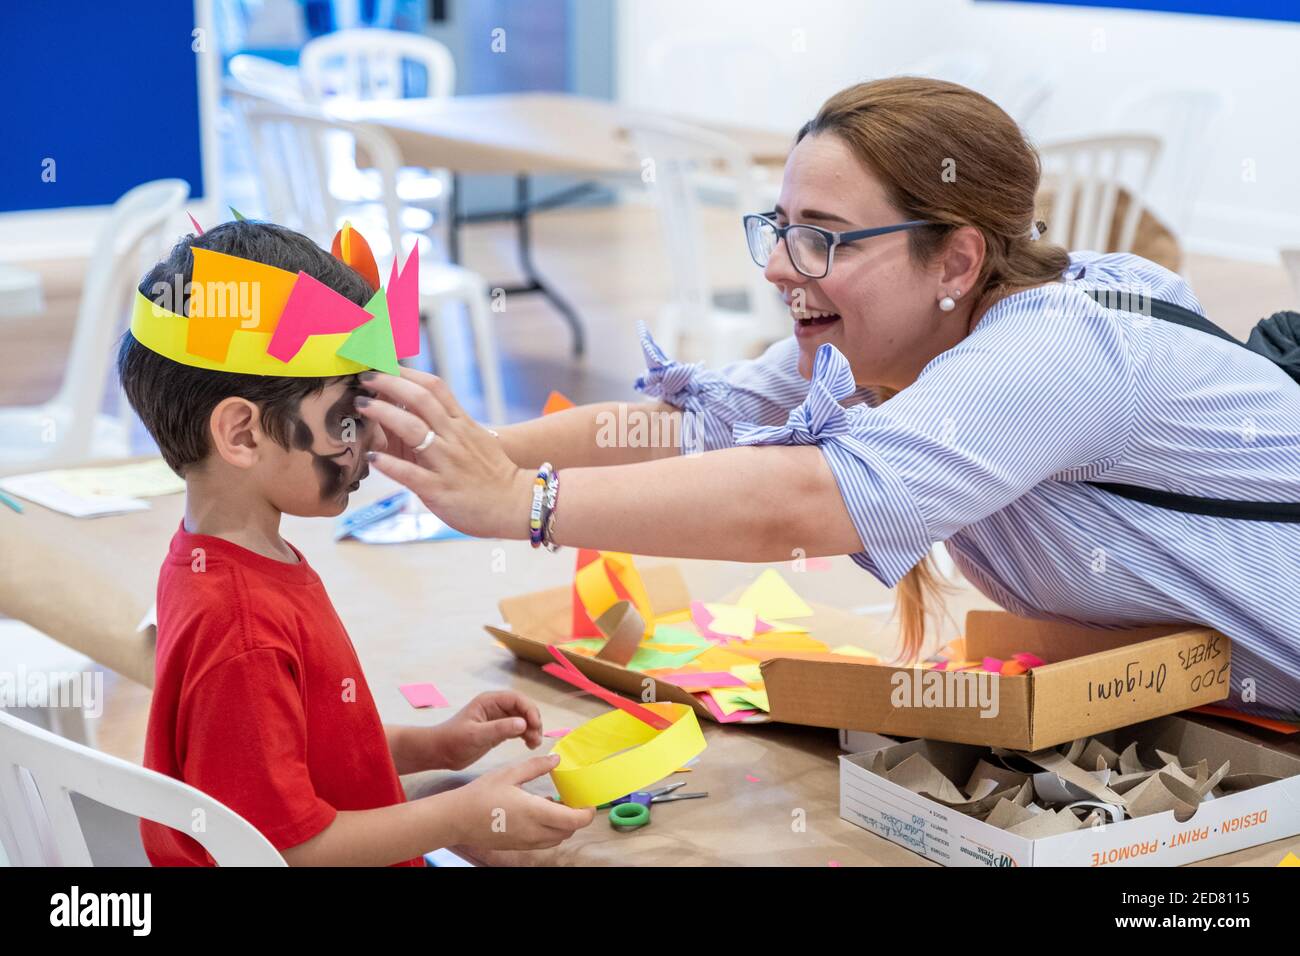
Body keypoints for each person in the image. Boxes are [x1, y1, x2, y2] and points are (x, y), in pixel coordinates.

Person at [353, 78, 1300, 721]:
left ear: (957, 258)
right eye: (781, 228)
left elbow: (809, 498)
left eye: (825, 237)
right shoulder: (928, 323)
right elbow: (696, 423)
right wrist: (466, 446)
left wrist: (523, 505)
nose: (777, 267)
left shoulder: (1059, 351)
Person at [118, 220, 594, 865]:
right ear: (242, 434)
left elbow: (294, 753)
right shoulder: (241, 623)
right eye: (348, 416)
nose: (368, 441)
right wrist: (462, 814)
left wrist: (433, 748)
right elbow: (291, 850)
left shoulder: (222, 560)